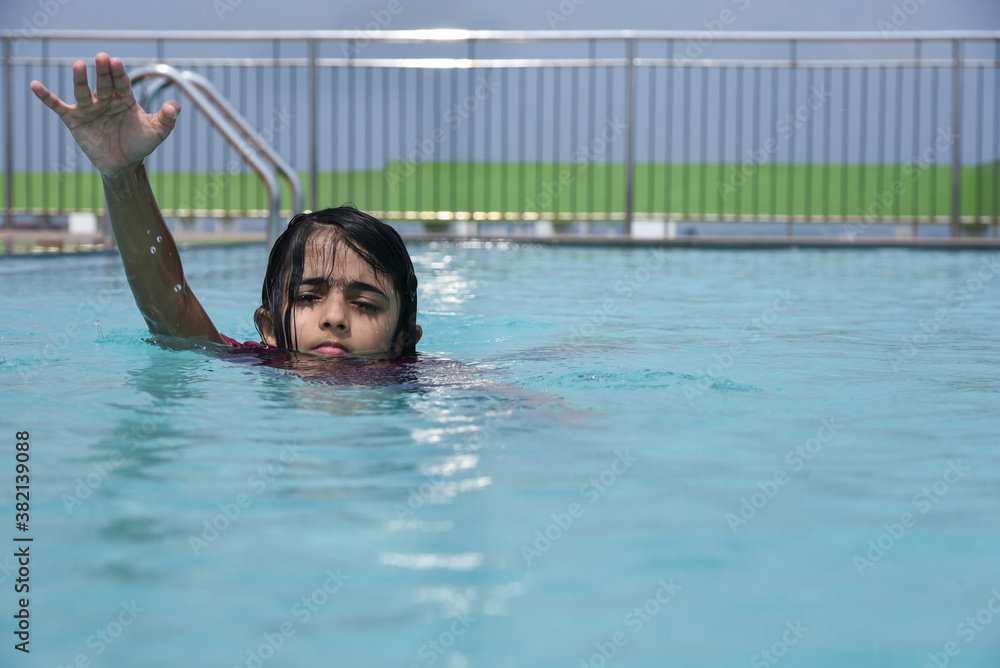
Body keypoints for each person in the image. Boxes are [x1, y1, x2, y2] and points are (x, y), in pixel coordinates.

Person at [30, 52, 422, 361]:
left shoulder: (420, 381)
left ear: (403, 338)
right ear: (267, 327)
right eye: (306, 298)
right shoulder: (261, 362)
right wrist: (121, 175)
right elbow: (170, 306)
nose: (334, 317)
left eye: (366, 304)